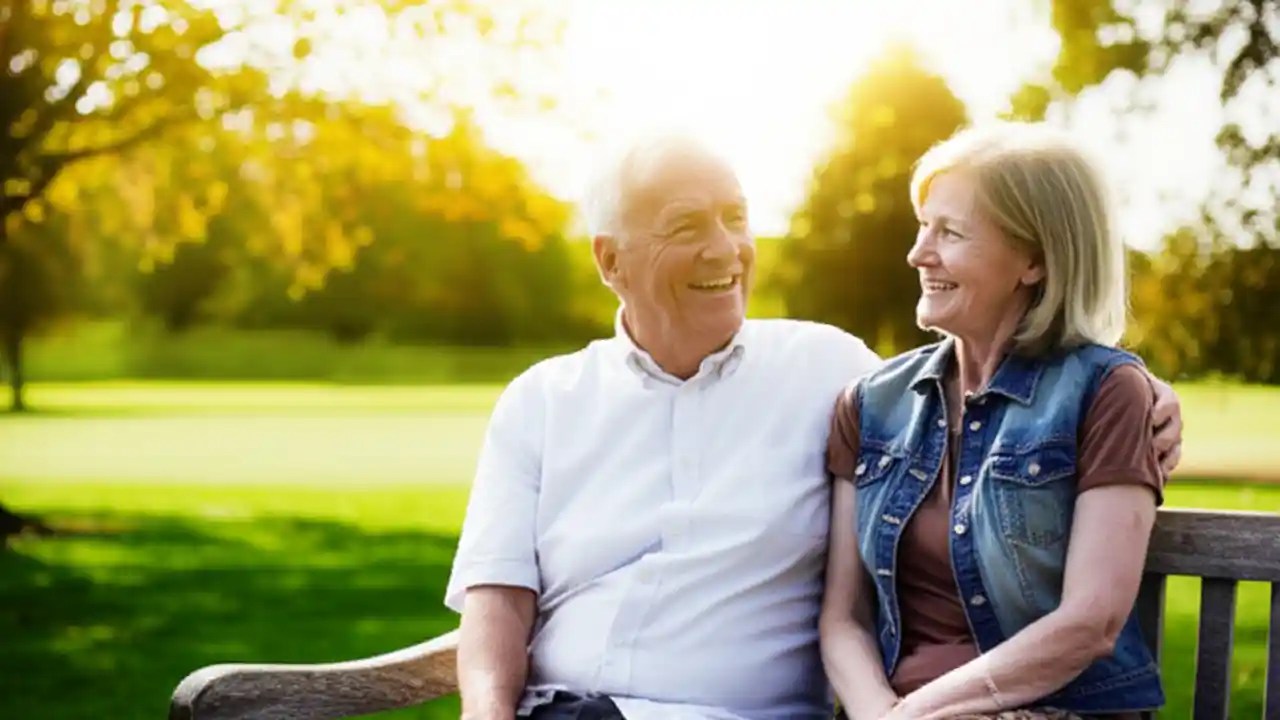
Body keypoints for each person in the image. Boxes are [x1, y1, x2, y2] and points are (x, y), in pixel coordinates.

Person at [446, 132, 1182, 720]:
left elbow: (1020, 386)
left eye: (736, 218)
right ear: (611, 261)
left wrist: (1135, 390)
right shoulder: (540, 401)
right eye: (686, 227)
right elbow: (497, 598)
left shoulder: (828, 368)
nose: (725, 248)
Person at [821, 122, 1168, 720]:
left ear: (1034, 260)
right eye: (923, 226)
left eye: (951, 232)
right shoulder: (872, 404)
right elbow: (843, 618)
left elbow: (1091, 622)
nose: (918, 254)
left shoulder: (1105, 392)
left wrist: (914, 714)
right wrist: (882, 713)